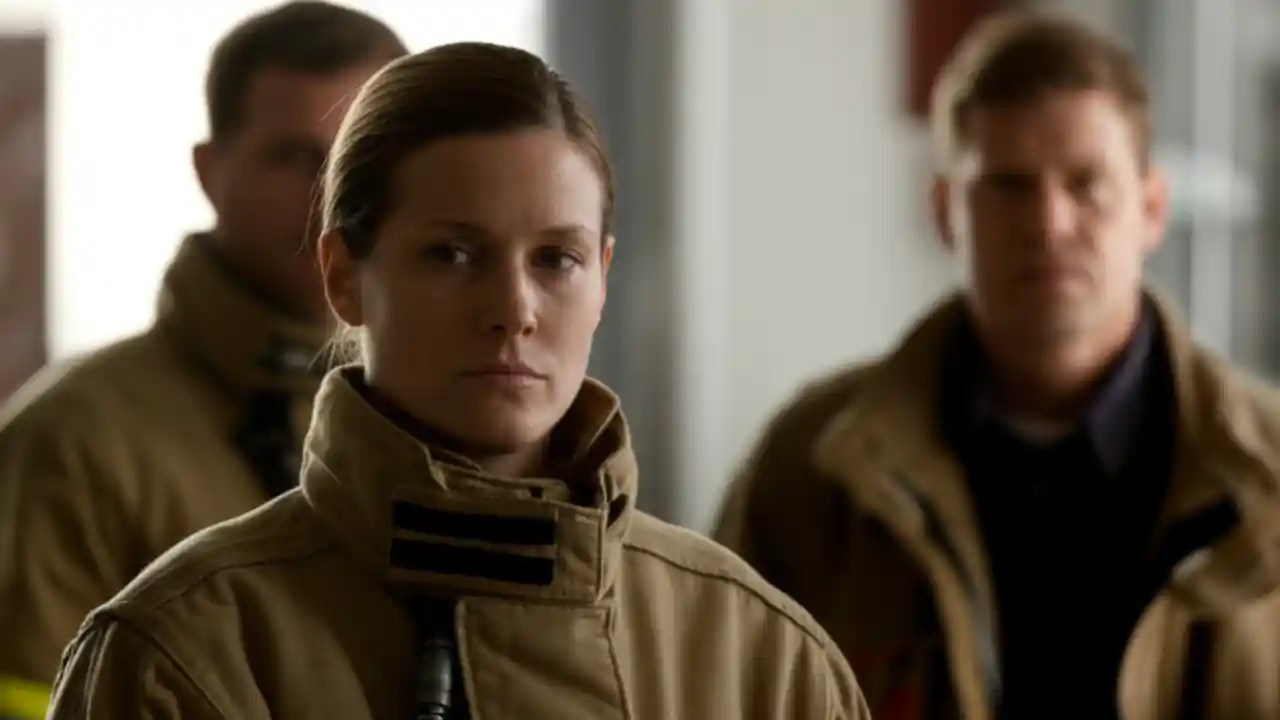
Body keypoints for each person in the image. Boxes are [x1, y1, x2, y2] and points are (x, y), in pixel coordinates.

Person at [44, 42, 869, 719]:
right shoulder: (186, 654)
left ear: (603, 278)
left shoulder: (759, 657)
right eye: (454, 254)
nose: (514, 309)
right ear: (345, 275)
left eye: (557, 259)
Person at [715, 10, 1280, 720]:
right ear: (947, 210)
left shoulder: (1268, 474)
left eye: (1085, 183)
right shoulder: (809, 470)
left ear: (1152, 207)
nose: (1048, 222)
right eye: (1010, 185)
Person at [0, 4, 405, 716]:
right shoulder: (72, 442)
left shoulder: (464, 421)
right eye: (293, 158)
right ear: (210, 171)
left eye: (361, 158)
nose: (331, 197)